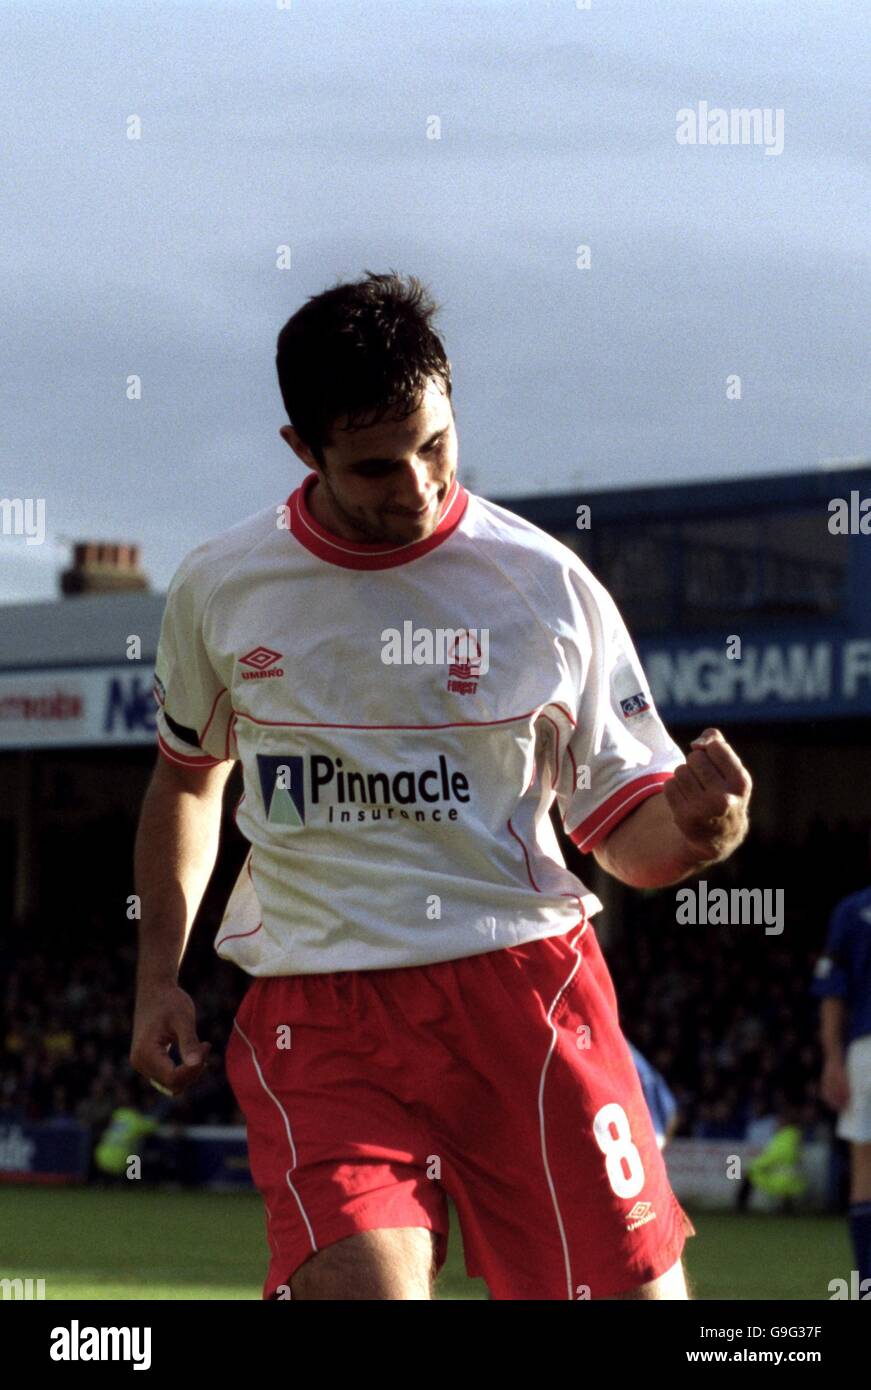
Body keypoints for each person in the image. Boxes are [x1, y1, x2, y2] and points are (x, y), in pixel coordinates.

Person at [131, 270, 753, 1301]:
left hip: (525, 996)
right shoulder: (220, 587)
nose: (416, 486)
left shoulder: (545, 585)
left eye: (435, 445)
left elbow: (625, 838)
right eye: (377, 466)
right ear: (302, 450)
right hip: (317, 1012)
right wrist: (161, 970)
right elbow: (190, 783)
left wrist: (698, 832)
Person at [812, 853, 871, 1284]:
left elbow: (833, 989)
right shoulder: (852, 910)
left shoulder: (853, 910)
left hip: (865, 1049)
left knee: (865, 1166)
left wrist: (833, 1058)